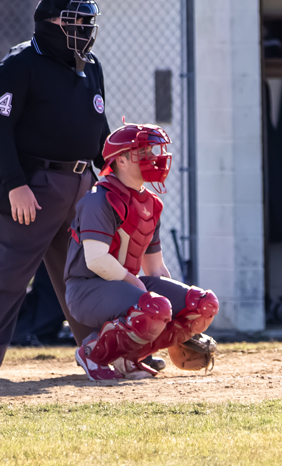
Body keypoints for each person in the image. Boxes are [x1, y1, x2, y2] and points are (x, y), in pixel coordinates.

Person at [0, 0, 110, 379]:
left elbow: (98, 129)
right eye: (76, 20)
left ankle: (100, 350)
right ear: (52, 23)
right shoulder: (20, 63)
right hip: (33, 185)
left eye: (87, 20)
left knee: (84, 274)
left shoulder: (89, 64)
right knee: (7, 271)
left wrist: (112, 174)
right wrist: (15, 184)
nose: (85, 28)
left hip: (81, 187)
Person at [65, 123, 219, 380]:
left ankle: (129, 357)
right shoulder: (100, 199)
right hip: (86, 289)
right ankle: (92, 352)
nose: (153, 158)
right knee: (153, 306)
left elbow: (156, 269)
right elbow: (97, 261)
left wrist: (179, 321)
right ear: (121, 160)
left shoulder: (150, 203)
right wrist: (142, 291)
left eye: (152, 151)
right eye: (143, 152)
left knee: (202, 305)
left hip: (127, 287)